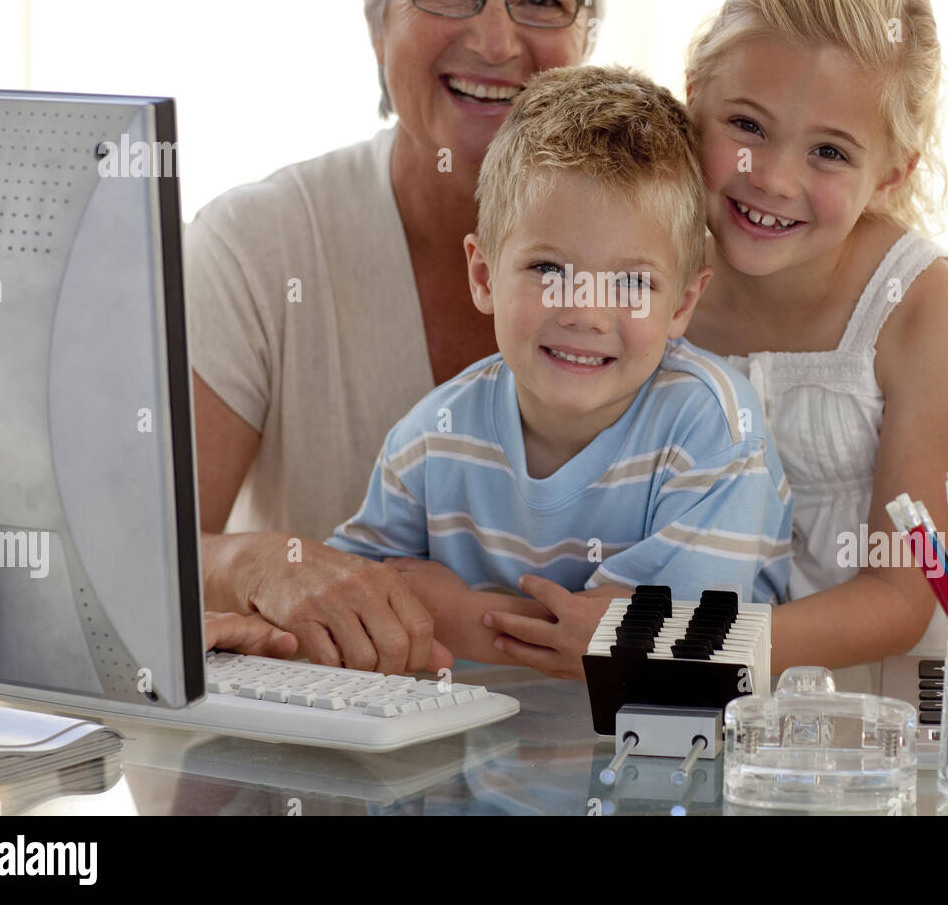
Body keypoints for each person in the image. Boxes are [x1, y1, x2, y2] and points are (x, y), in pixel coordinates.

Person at [488, 0, 948, 675]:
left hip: (927, 674)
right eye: (747, 125)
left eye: (829, 151)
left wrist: (663, 641)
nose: (773, 177)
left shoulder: (921, 307)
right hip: (732, 684)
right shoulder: (646, 279)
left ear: (891, 172)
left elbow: (898, 598)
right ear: (694, 100)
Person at [186, 0, 612, 672]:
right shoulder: (259, 244)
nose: (494, 42)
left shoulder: (658, 251)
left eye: (540, 0)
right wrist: (256, 560)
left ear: (587, 37)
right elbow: (132, 555)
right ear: (378, 17)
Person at [321, 64, 791, 671]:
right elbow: (347, 603)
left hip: (681, 761)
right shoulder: (432, 437)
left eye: (630, 282)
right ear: (484, 274)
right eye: (549, 270)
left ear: (681, 303)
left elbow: (673, 659)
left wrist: (456, 617)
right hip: (476, 760)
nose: (586, 314)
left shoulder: (713, 430)